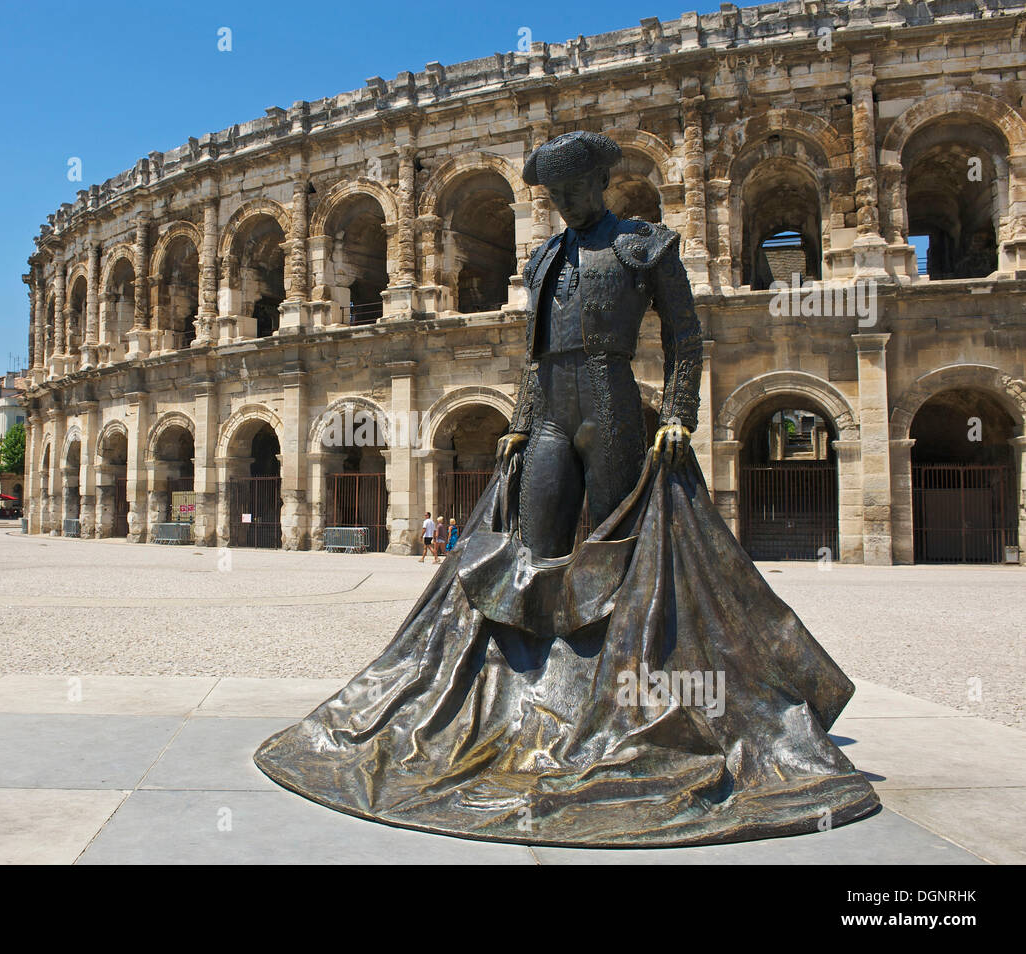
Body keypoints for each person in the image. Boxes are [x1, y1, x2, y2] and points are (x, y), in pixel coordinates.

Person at [255, 131, 878, 848]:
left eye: (571, 190)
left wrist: (676, 416)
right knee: (534, 541)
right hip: (553, 404)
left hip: (611, 397)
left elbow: (686, 337)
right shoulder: (546, 256)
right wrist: (520, 425)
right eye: (552, 194)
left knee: (613, 547)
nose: (561, 203)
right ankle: (525, 701)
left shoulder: (646, 246)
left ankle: (610, 692)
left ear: (599, 184)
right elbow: (531, 355)